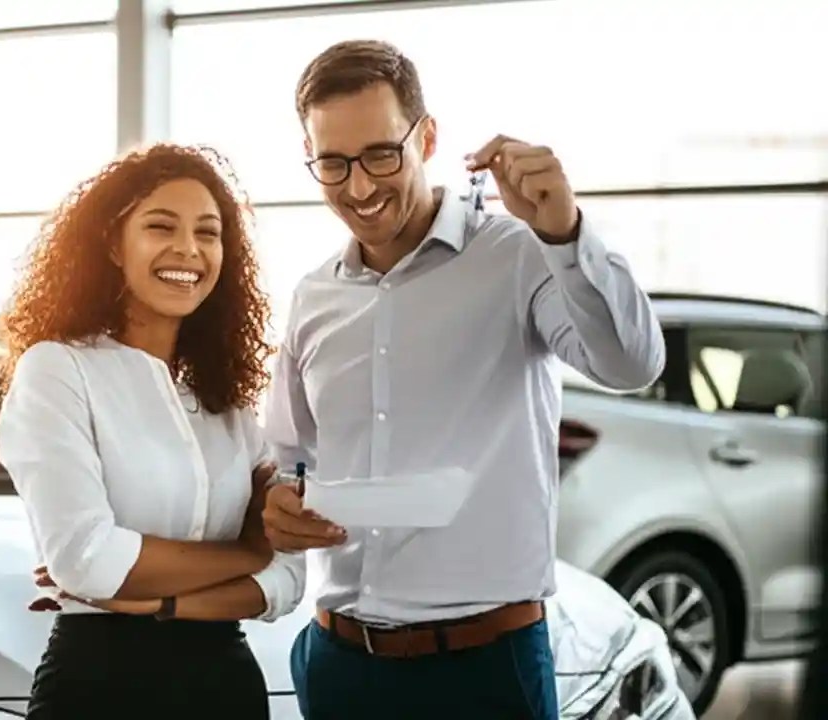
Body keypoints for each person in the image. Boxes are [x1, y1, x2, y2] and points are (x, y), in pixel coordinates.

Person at [259, 40, 666, 720]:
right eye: (333, 163)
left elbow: (632, 364)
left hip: (485, 670)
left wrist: (565, 232)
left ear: (427, 137)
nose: (359, 188)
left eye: (381, 155)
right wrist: (276, 498)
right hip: (340, 667)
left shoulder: (518, 254)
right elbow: (287, 455)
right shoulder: (312, 296)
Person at [0, 142, 306, 719]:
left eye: (208, 233)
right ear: (114, 243)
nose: (187, 249)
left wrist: (157, 601)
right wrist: (246, 550)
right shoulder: (59, 369)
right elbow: (87, 560)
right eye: (161, 226)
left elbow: (288, 576)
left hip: (226, 689)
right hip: (100, 688)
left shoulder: (227, 400)